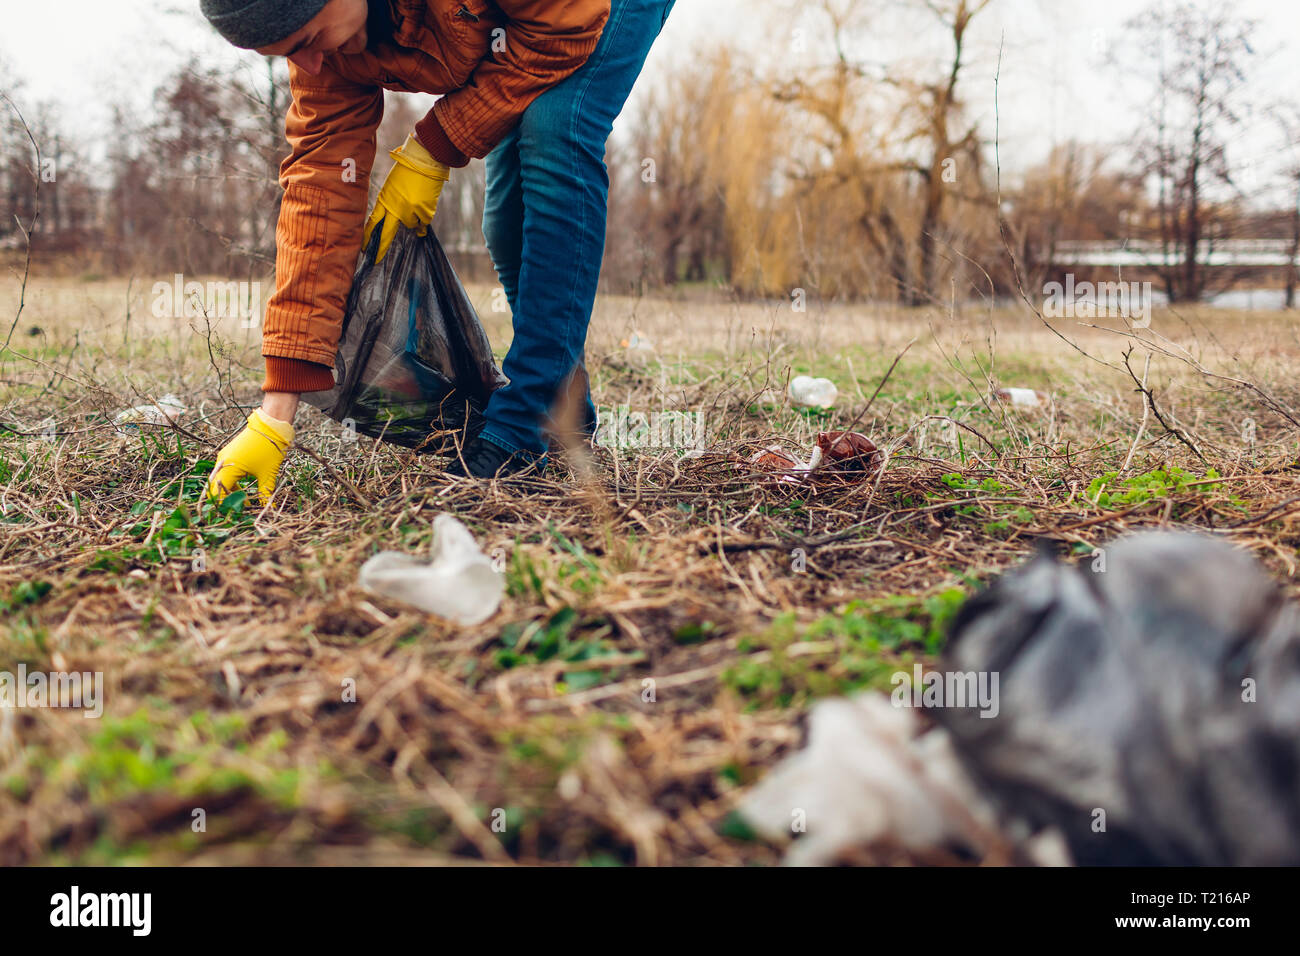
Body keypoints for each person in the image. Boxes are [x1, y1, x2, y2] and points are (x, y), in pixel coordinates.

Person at [200, 0, 675, 502]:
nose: (310, 64)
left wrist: (434, 146)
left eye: (306, 41)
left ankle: (529, 418)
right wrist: (275, 415)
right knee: (506, 221)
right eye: (290, 55)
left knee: (556, 127)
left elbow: (565, 23)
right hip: (530, 21)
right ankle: (564, 405)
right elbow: (320, 194)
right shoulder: (324, 55)